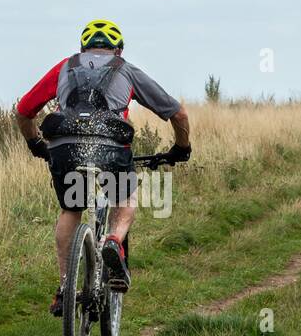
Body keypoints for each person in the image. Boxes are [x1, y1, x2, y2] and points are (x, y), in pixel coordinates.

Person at [15, 19, 192, 316]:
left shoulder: (65, 67)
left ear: (83, 48)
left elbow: (24, 111)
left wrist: (36, 145)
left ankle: (64, 288)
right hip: (110, 145)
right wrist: (181, 148)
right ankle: (113, 240)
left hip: (64, 145)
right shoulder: (126, 69)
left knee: (71, 209)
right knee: (124, 198)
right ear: (118, 50)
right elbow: (179, 114)